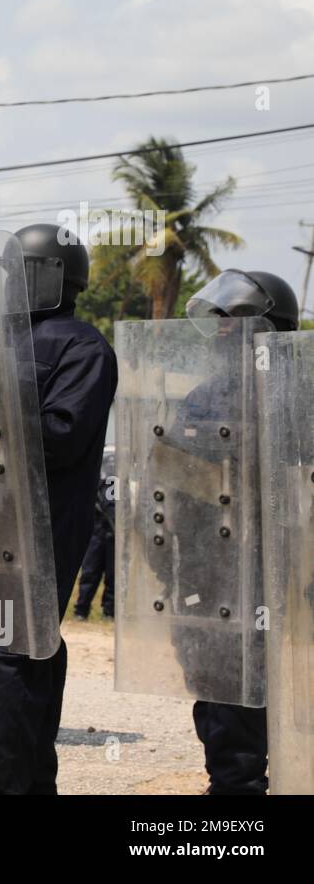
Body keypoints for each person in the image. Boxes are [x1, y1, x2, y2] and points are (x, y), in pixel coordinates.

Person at [0, 223, 117, 791]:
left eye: (17, 273)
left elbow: (63, 435)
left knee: (11, 654)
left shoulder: (81, 346)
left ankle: (6, 783)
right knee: (17, 652)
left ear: (50, 277)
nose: (5, 284)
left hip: (41, 528)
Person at [178, 269, 300, 794]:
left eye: (238, 320)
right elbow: (179, 481)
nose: (224, 330)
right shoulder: (204, 396)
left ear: (271, 328)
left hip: (283, 562)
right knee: (220, 681)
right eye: (220, 320)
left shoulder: (301, 394)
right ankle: (234, 790)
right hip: (217, 562)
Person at [72, 447, 115, 621]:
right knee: (90, 571)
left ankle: (109, 611)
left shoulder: (121, 475)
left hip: (115, 531)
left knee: (113, 576)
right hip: (97, 529)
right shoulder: (98, 470)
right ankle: (81, 610)